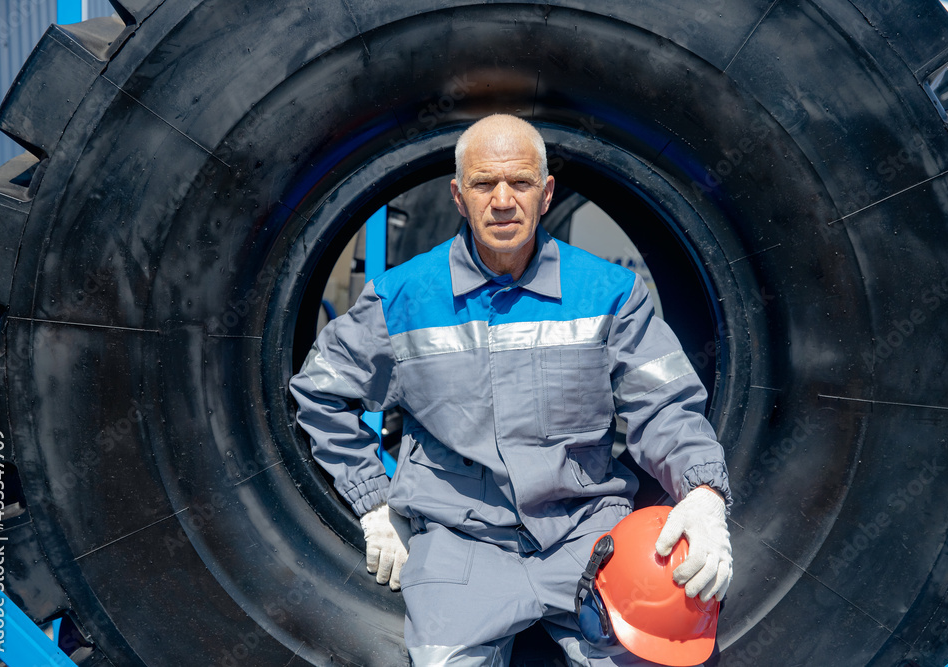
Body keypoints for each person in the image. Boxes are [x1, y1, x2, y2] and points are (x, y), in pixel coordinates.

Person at [290, 114, 732, 666]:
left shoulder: (611, 294)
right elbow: (321, 391)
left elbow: (664, 407)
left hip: (588, 535)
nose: (503, 200)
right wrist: (372, 499)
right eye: (483, 184)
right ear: (458, 195)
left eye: (520, 183)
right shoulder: (402, 298)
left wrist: (702, 492)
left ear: (546, 194)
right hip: (460, 542)